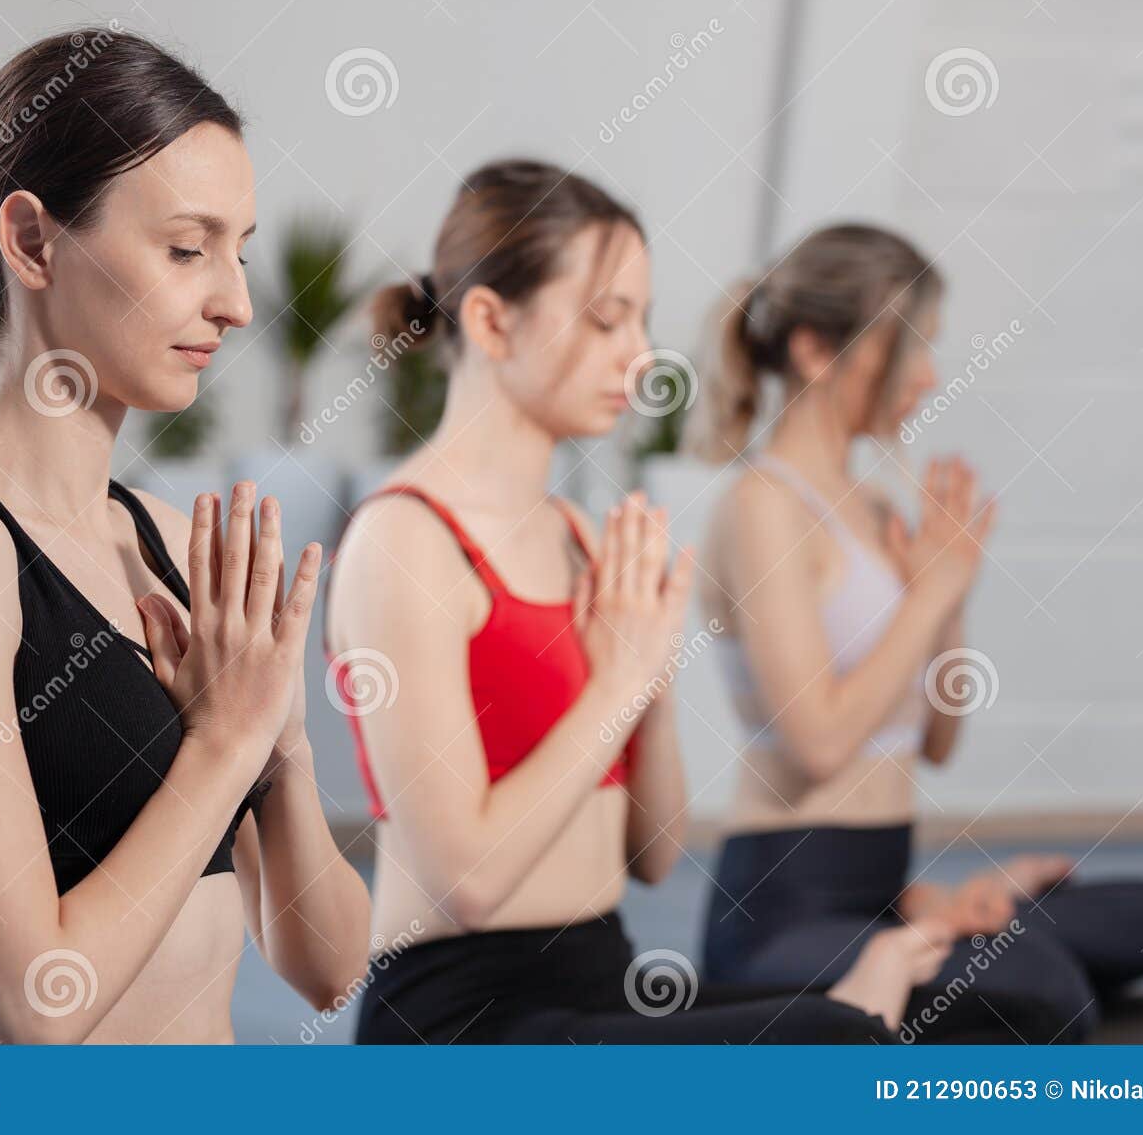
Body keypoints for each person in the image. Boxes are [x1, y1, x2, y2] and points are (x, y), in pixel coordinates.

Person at [324, 162, 951, 1045]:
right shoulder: (405, 542)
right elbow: (467, 877)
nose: (639, 355)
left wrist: (649, 679)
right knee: (839, 1037)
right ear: (492, 321)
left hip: (600, 978)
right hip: (466, 1019)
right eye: (606, 319)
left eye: (642, 320)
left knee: (987, 1013)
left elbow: (654, 855)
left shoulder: (583, 537)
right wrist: (618, 677)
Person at [0, 29, 369, 1043]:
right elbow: (26, 1008)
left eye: (239, 250)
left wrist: (284, 746)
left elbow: (331, 966)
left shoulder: (168, 543)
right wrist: (223, 742)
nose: (237, 300)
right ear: (33, 241)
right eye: (187, 248)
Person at [689, 223, 1143, 1043]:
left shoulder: (878, 506)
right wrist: (928, 596)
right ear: (818, 349)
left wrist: (952, 591)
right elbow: (818, 743)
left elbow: (936, 736)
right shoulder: (763, 506)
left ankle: (946, 920)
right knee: (1043, 991)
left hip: (881, 889)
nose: (926, 378)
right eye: (906, 350)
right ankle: (958, 936)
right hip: (782, 918)